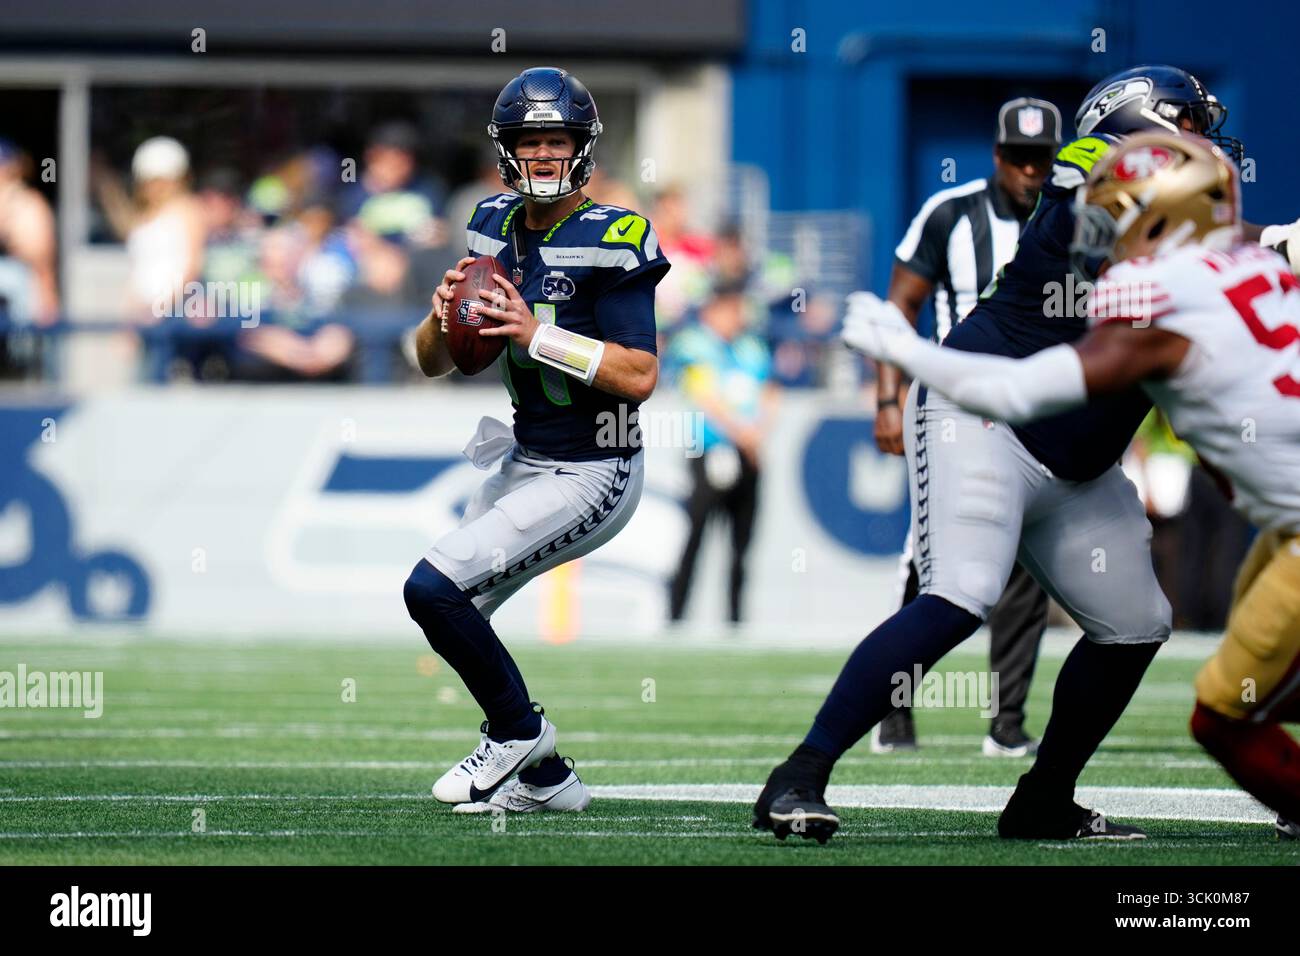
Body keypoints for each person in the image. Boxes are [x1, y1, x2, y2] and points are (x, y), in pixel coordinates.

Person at [753, 65, 1265, 844]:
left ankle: (1043, 799)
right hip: (985, 414)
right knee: (962, 592)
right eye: (1189, 123)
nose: (1205, 143)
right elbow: (1148, 245)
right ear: (1143, 127)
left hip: (1080, 461)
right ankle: (798, 775)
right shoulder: (1090, 175)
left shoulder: (1172, 222)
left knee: (1135, 621)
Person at [405, 67, 669, 814]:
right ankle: (550, 781)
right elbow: (433, 362)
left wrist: (536, 334)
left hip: (595, 467)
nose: (545, 155)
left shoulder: (617, 235)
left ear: (581, 148)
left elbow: (640, 375)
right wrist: (438, 317)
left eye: (557, 140)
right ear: (506, 149)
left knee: (435, 585)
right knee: (451, 611)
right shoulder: (489, 223)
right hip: (524, 458)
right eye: (531, 140)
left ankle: (518, 734)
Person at [871, 97, 1061, 757]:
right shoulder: (950, 214)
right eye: (1021, 158)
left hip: (1039, 408)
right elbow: (901, 308)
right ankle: (892, 711)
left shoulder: (1073, 216)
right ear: (999, 155)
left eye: (1044, 159)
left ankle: (1006, 722)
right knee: (929, 560)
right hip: (956, 406)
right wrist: (888, 400)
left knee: (1030, 562)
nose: (1032, 172)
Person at [666, 280, 780, 625]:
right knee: (695, 539)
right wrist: (744, 434)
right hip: (710, 452)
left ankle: (735, 621)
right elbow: (704, 395)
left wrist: (757, 433)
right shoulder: (695, 344)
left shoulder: (752, 347)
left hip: (748, 455)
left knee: (741, 545)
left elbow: (771, 390)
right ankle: (676, 618)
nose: (735, 316)